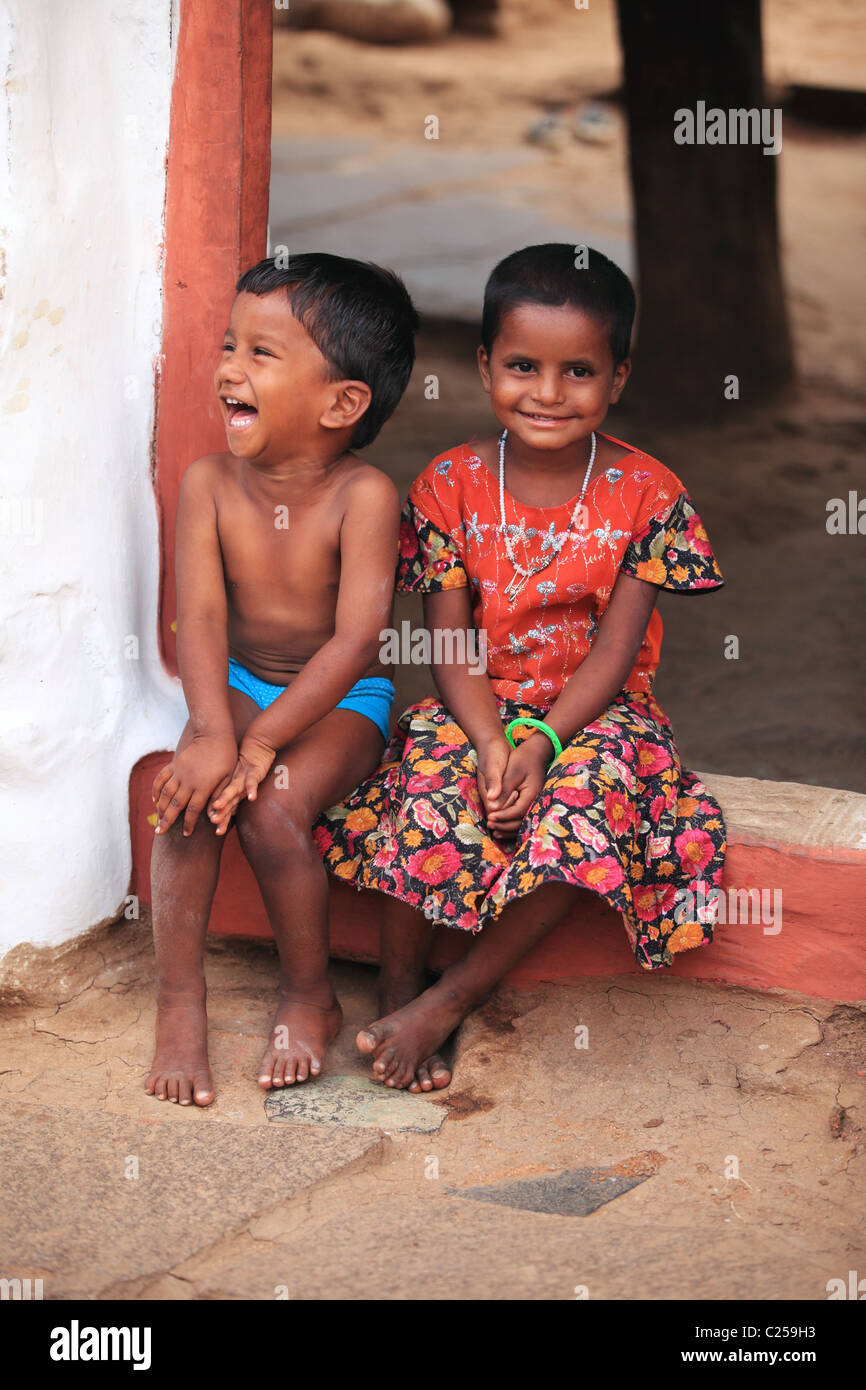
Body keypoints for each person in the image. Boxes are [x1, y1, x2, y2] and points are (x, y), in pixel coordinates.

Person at [314, 243, 726, 1093]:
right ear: (483, 365)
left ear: (618, 379)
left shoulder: (650, 494)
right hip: (477, 701)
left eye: (579, 370)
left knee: (583, 811)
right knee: (426, 785)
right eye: (522, 366)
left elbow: (615, 651)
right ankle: (396, 981)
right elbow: (449, 643)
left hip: (598, 714)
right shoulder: (448, 487)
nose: (547, 391)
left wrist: (539, 743)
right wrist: (492, 741)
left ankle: (450, 999)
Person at [146, 252, 418, 1106]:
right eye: (230, 344)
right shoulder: (209, 485)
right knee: (191, 792)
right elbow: (204, 620)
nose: (229, 367)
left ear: (342, 403)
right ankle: (177, 1004)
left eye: (262, 354)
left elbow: (354, 641)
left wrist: (262, 742)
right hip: (233, 679)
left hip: (342, 699)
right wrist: (217, 731)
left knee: (272, 804)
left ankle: (310, 996)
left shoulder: (364, 496)